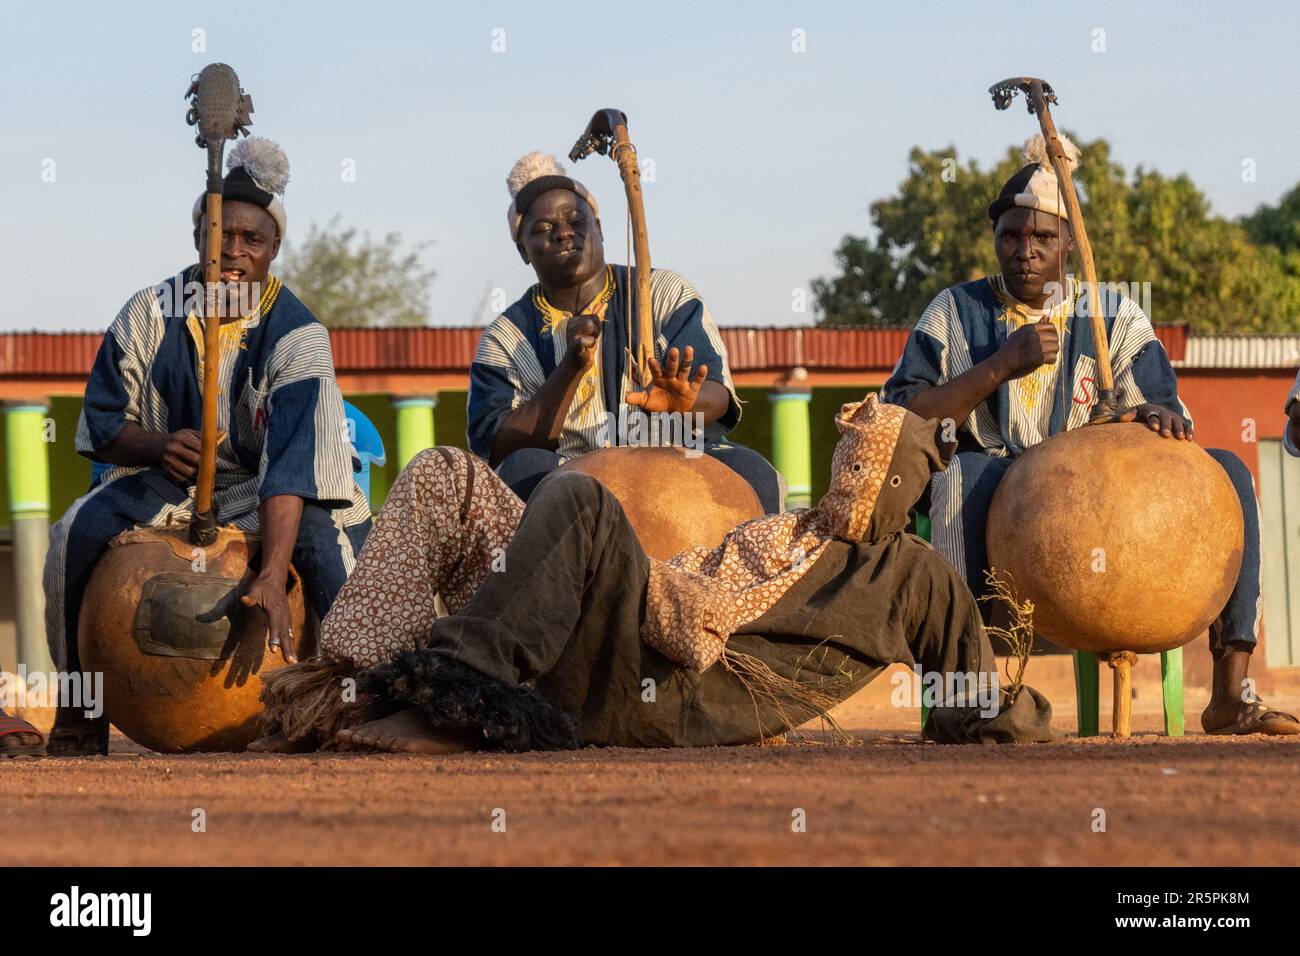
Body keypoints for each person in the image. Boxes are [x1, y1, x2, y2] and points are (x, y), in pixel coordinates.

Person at [255, 394, 1056, 753]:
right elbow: (681, 584)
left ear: (908, 486)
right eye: (852, 454)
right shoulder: (789, 532)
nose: (857, 473)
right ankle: (343, 689)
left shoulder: (916, 576)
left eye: (879, 466)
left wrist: (1017, 707)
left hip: (661, 687)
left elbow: (967, 702)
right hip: (627, 631)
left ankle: (460, 700)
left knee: (579, 499)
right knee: (443, 473)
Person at [882, 135, 1296, 736]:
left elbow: (1167, 409)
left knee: (1230, 469)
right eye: (1011, 237)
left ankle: (1230, 694)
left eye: (1042, 238)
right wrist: (1000, 365)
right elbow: (904, 413)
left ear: (1070, 244)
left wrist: (1155, 419)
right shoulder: (953, 310)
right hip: (997, 498)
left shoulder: (1113, 314)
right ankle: (960, 693)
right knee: (962, 476)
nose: (1025, 252)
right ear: (995, 240)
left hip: (1095, 505)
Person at [37, 138, 371, 756]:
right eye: (222, 235)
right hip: (167, 478)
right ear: (198, 236)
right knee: (74, 533)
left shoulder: (298, 333)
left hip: (274, 487)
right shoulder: (147, 312)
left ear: (274, 249)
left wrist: (271, 573)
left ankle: (365, 704)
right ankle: (80, 709)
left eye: (253, 241)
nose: (235, 254)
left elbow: (295, 465)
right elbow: (103, 422)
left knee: (328, 544)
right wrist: (159, 445)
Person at [468, 151, 782, 512]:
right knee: (522, 471)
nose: (564, 232)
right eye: (542, 229)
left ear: (598, 228)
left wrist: (684, 405)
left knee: (750, 471)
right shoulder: (505, 337)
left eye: (576, 220)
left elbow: (718, 398)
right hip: (571, 473)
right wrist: (569, 367)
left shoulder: (664, 293)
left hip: (672, 452)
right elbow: (499, 446)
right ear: (523, 249)